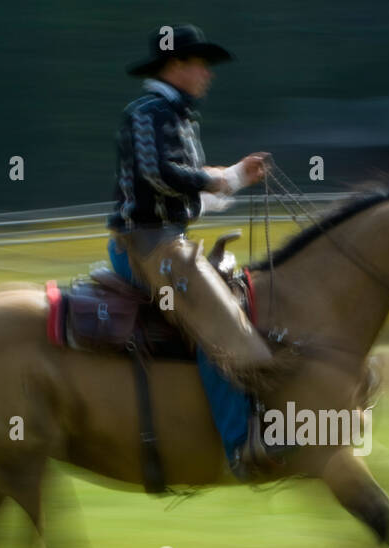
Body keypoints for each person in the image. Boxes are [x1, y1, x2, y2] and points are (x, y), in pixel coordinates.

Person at [107, 23, 277, 479]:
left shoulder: (177, 115)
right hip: (145, 244)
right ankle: (242, 445)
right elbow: (158, 174)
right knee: (215, 317)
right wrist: (221, 178)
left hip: (169, 240)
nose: (208, 73)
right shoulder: (146, 112)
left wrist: (236, 177)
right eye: (200, 63)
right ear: (175, 65)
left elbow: (184, 188)